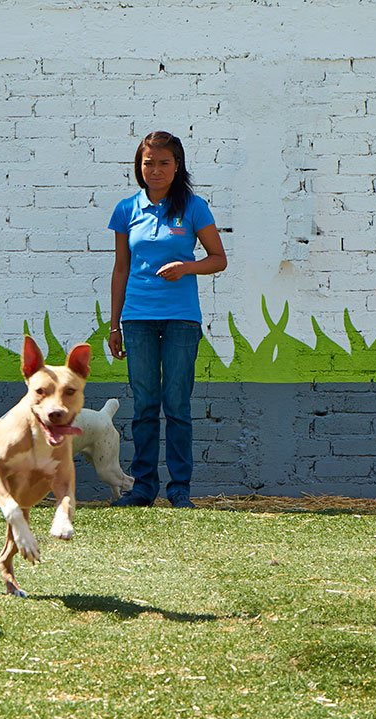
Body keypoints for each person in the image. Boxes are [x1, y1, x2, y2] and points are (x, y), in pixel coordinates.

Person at [107, 131, 227, 509]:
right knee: (144, 406)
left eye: (163, 163)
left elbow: (218, 258)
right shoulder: (127, 209)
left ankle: (179, 489)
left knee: (177, 405)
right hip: (138, 319)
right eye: (148, 163)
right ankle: (143, 487)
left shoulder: (194, 207)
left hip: (181, 320)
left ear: (177, 166)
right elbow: (120, 270)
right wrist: (114, 324)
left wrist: (187, 267)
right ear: (138, 167)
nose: (155, 170)